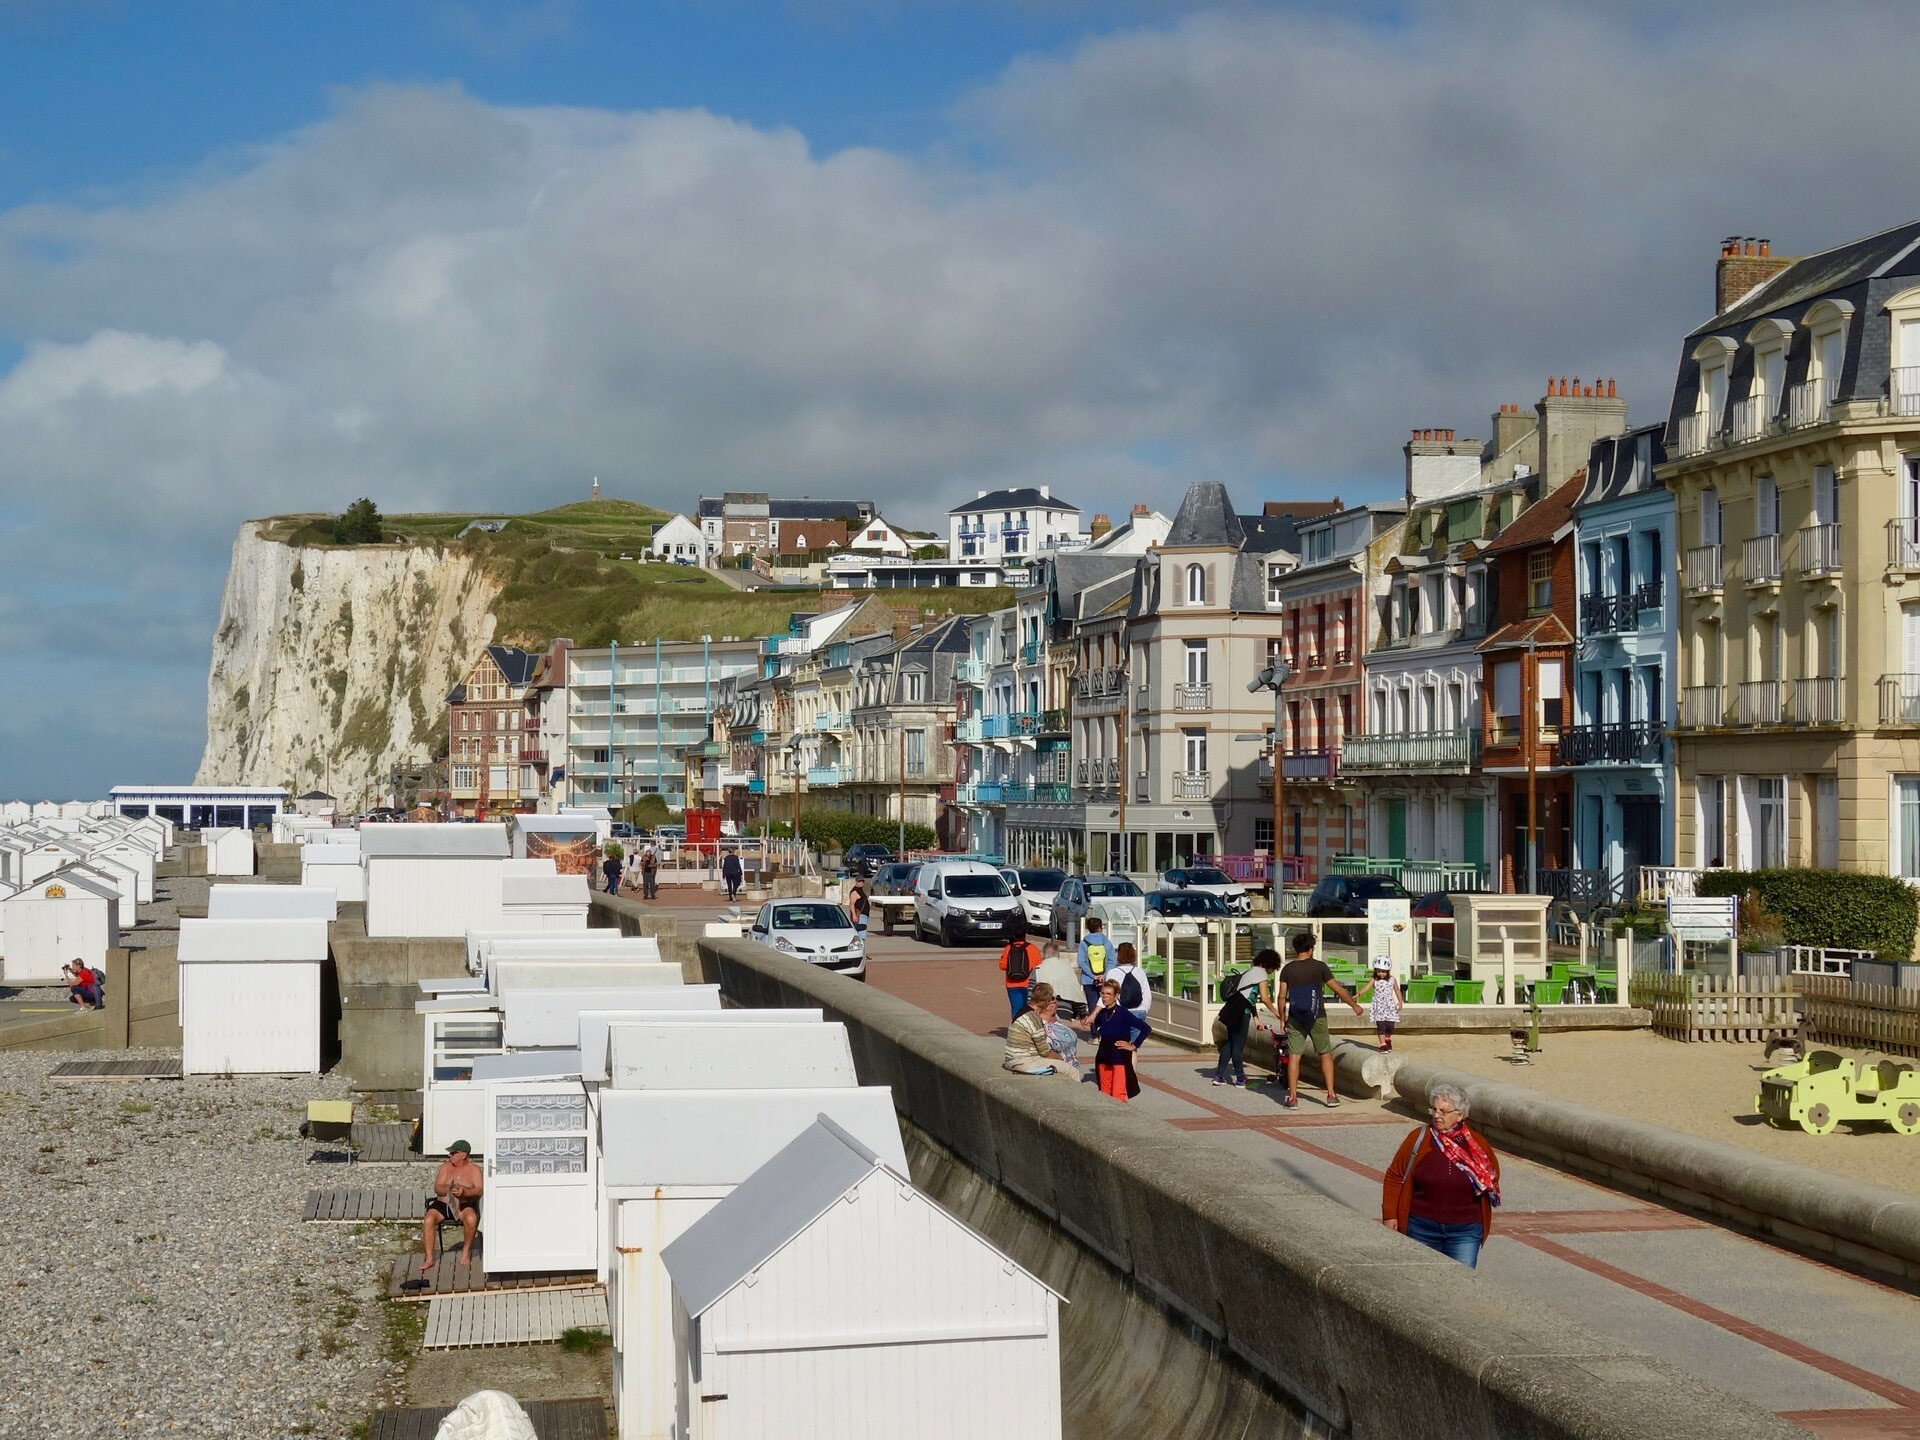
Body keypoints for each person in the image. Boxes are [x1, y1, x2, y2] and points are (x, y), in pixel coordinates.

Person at [1382, 1082, 1501, 1268]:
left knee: (1460, 1285)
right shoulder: (1418, 1138)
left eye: (1443, 1112)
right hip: (1421, 1227)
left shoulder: (1478, 1145)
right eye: (1434, 1110)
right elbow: (1395, 1176)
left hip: (1465, 1231)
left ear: (1460, 1115)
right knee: (1420, 1284)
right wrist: (1390, 1216)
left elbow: (1491, 1177)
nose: (1437, 1116)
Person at [1277, 930, 1364, 1109]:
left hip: (1295, 1017)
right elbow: (1338, 989)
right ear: (1310, 948)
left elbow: (1281, 996)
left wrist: (1282, 1017)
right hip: (1317, 1016)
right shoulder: (1319, 967)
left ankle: (1293, 1098)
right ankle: (1331, 1095)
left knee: (1294, 1056)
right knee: (1325, 1054)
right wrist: (1353, 1005)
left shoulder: (1288, 969)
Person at [1213, 950, 1275, 1087]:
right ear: (1270, 964)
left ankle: (1219, 1076)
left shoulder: (1251, 971)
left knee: (1230, 1043)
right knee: (1237, 1046)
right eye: (1274, 967)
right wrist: (1278, 1013)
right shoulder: (1262, 974)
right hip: (1240, 1012)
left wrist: (1256, 1019)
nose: (1273, 971)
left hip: (1231, 1008)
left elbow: (1249, 998)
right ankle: (1240, 1078)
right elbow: (1265, 998)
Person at [423, 1140, 485, 1270]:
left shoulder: (474, 1169)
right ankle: (429, 1258)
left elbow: (480, 1189)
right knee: (429, 1219)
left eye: (452, 1153)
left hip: (464, 1203)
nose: (449, 1155)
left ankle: (466, 1251)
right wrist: (449, 1189)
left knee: (471, 1219)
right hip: (444, 1202)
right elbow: (437, 1187)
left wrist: (465, 1191)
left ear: (463, 1155)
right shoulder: (446, 1167)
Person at [1086, 976, 1151, 1102]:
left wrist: (1133, 1045)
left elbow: (1145, 1029)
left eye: (1108, 994)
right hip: (1103, 1057)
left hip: (1119, 1058)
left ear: (1116, 996)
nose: (1104, 996)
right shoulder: (1101, 1013)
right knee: (1104, 1094)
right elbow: (1100, 1027)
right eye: (1103, 993)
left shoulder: (1123, 1013)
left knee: (1118, 1095)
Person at [1002, 982, 1076, 1076]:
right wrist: (1059, 1057)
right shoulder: (1033, 1018)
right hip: (1023, 1062)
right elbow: (1044, 1052)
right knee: (1071, 1070)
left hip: (1012, 1059)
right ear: (1046, 1001)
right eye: (1052, 999)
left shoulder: (1023, 1011)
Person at [1033, 939, 1086, 1020]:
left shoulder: (1038, 969)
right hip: (1066, 1009)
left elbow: (1030, 994)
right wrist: (1082, 1014)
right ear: (1058, 954)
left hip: (1044, 1010)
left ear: (1044, 954)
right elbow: (1076, 992)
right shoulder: (1067, 968)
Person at [1358, 960, 1403, 1052]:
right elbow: (1367, 987)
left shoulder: (1392, 979)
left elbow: (1397, 991)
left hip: (1389, 1005)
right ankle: (1383, 1044)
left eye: (1383, 971)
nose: (1381, 974)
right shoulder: (1374, 979)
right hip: (1378, 1005)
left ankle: (1387, 1039)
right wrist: (1358, 994)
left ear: (1387, 971)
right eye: (1378, 971)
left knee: (1390, 1025)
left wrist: (1400, 1001)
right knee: (1381, 1025)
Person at [997, 930, 1042, 1020]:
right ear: (1025, 935)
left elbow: (1002, 966)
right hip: (1029, 984)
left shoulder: (1008, 948)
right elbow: (1039, 965)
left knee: (1016, 1009)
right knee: (1030, 1009)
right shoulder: (1032, 948)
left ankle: (1016, 1028)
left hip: (1012, 984)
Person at [1075, 916, 1113, 1013]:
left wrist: (1093, 976)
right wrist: (1103, 975)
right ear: (1100, 928)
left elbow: (1081, 962)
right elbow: (1112, 961)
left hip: (1089, 980)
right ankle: (1104, 1027)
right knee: (1106, 1006)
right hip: (1104, 980)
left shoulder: (1084, 943)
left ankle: (1094, 1028)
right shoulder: (1107, 942)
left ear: (1088, 928)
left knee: (1093, 1008)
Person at [1107, 942, 1150, 1021]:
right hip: (1139, 1011)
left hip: (1119, 1012)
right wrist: (1144, 1009)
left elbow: (1108, 995)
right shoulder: (1140, 972)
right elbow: (1147, 994)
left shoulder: (1112, 973)